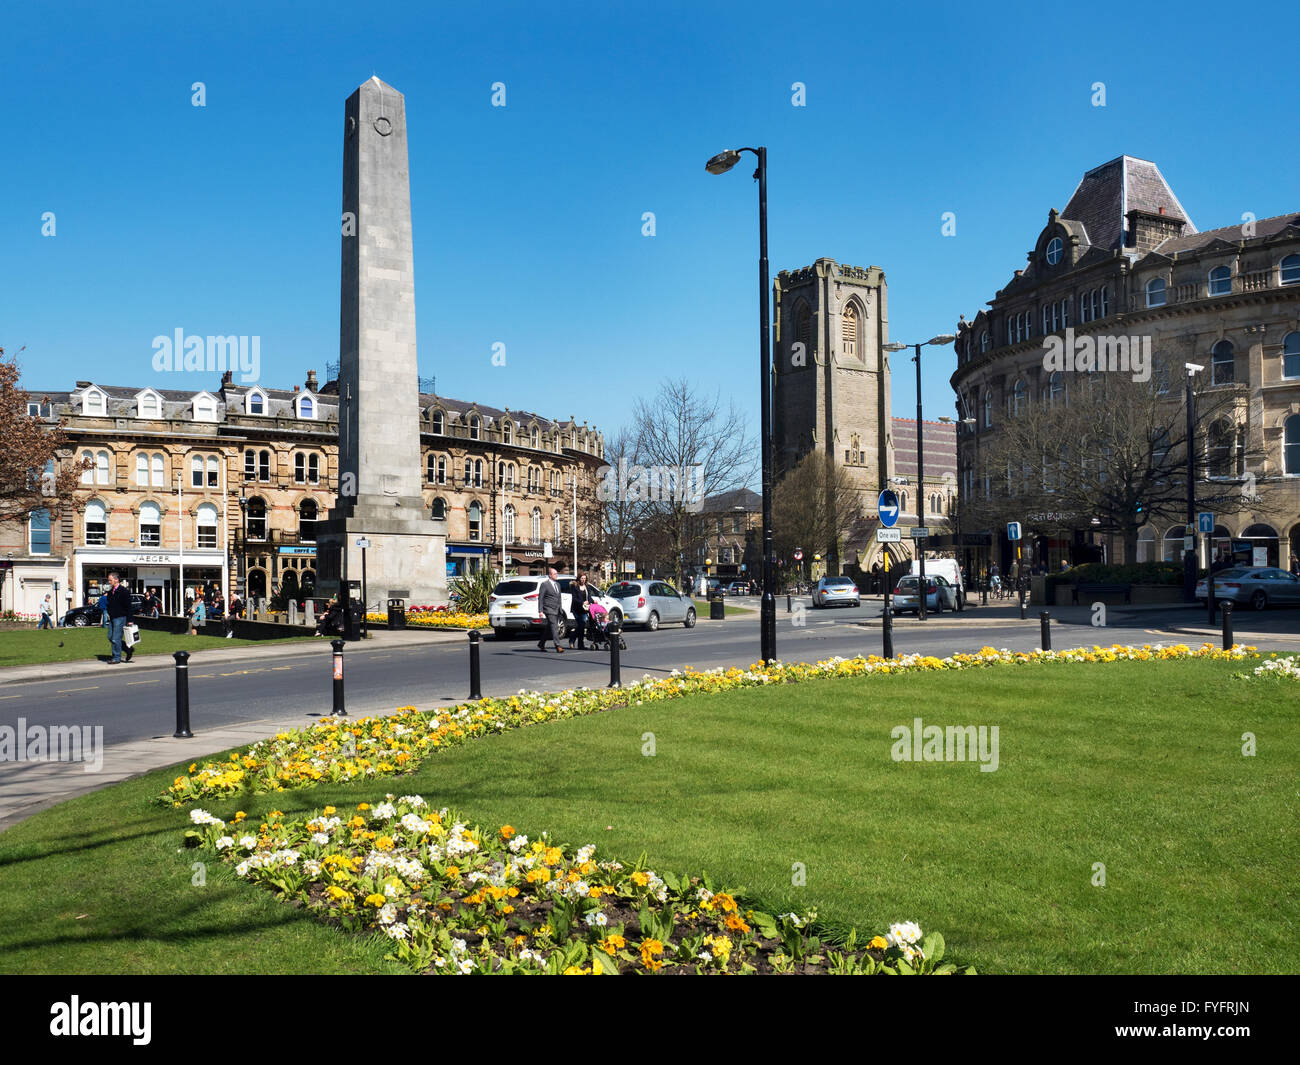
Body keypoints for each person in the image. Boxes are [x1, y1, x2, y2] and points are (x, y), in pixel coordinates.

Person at [104, 571, 133, 663]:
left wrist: (129, 620)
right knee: (110, 637)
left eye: (110, 580)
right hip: (113, 617)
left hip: (120, 617)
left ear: (116, 580)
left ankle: (116, 657)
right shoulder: (110, 592)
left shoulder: (124, 591)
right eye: (108, 580)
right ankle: (128, 649)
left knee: (115, 638)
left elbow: (129, 606)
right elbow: (109, 604)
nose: (109, 582)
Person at [537, 567, 565, 653]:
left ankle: (541, 643)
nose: (557, 575)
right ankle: (557, 645)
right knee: (554, 626)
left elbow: (559, 597)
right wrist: (540, 610)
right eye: (555, 574)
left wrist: (560, 608)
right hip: (548, 609)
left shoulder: (558, 584)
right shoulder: (544, 584)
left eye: (557, 573)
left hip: (557, 609)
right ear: (550, 575)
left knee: (550, 627)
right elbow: (540, 598)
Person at [568, 571, 594, 649]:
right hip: (576, 609)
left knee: (581, 626)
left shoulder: (587, 587)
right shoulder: (574, 586)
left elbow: (589, 597)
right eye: (582, 578)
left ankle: (579, 644)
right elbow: (574, 598)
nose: (583, 580)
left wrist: (590, 601)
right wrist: (582, 602)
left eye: (584, 578)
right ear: (579, 579)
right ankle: (574, 640)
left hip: (584, 609)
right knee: (581, 626)